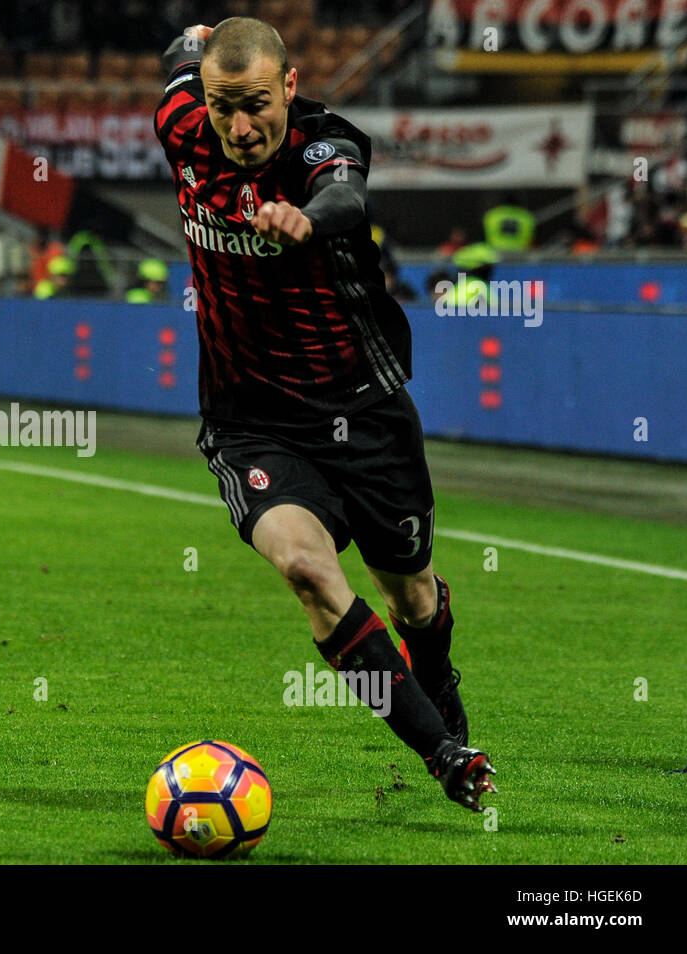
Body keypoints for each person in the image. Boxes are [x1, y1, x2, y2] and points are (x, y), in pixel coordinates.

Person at [157, 17, 496, 812]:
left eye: (257, 105)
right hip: (251, 420)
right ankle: (444, 751)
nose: (240, 126)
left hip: (363, 408)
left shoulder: (324, 145)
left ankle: (435, 672)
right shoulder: (182, 122)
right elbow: (182, 55)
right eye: (222, 106)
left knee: (413, 599)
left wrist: (306, 219)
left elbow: (344, 191)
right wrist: (192, 36)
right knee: (308, 571)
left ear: (291, 86)